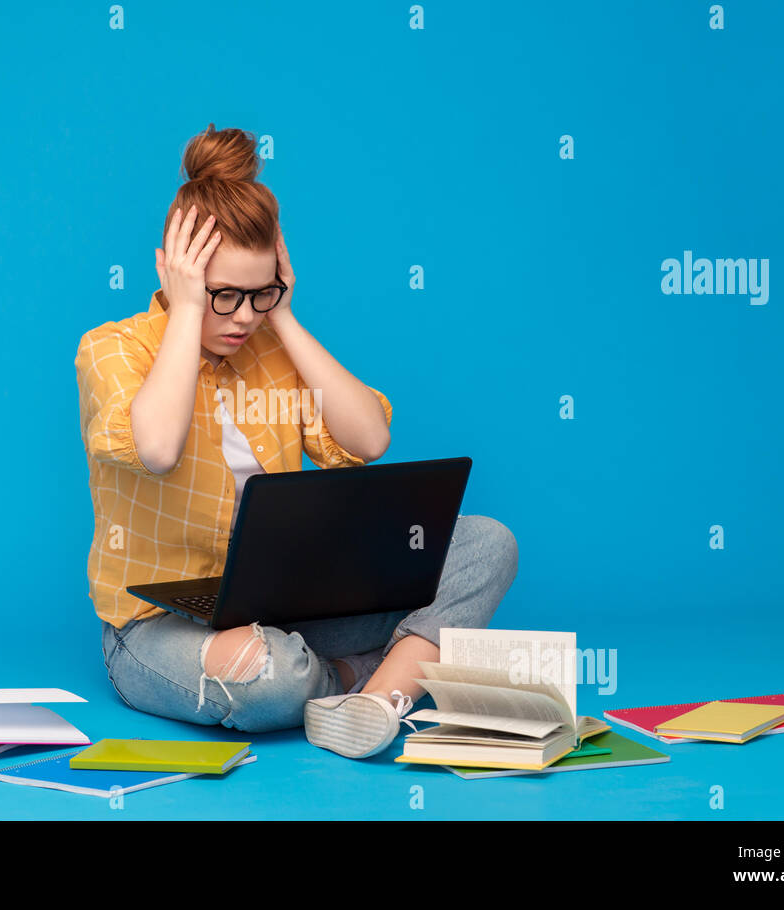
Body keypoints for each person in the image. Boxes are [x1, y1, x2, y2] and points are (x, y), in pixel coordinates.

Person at [74, 124, 518, 759]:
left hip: (287, 609)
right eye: (222, 295)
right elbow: (158, 448)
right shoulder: (111, 347)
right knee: (268, 678)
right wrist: (188, 314)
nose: (242, 318)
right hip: (158, 626)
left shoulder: (270, 341)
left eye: (260, 294)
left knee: (486, 544)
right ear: (171, 273)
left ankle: (377, 705)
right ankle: (352, 675)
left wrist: (285, 317)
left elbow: (370, 438)